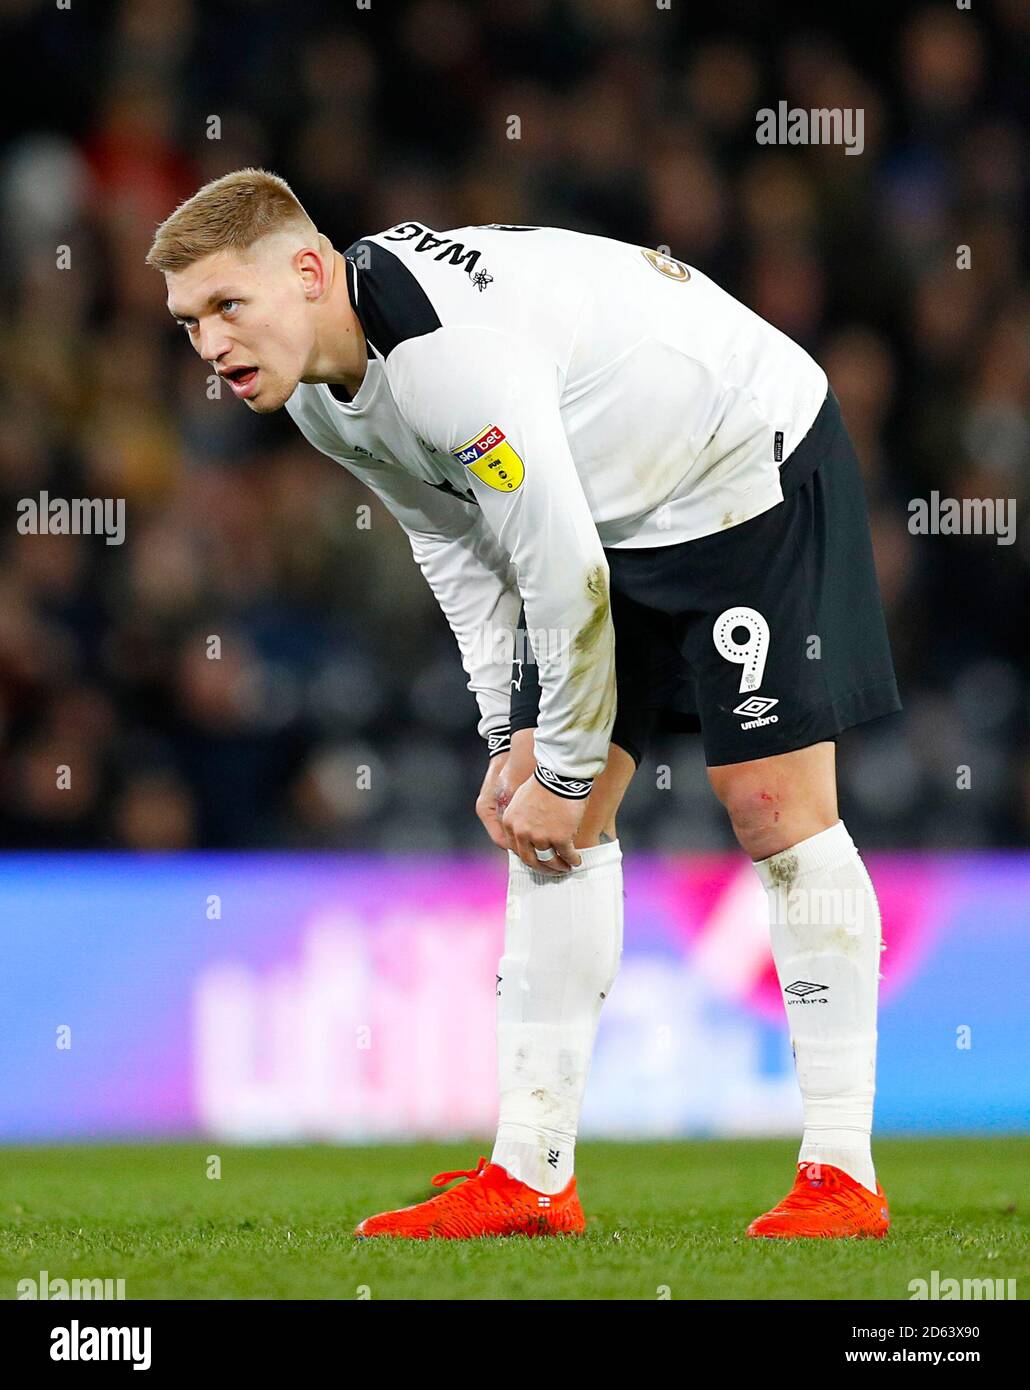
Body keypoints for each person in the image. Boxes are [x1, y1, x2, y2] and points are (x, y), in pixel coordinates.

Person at [148, 168, 900, 1240]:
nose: (210, 346)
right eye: (188, 323)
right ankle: (532, 1176)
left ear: (310, 271)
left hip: (740, 461)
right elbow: (457, 547)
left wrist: (559, 765)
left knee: (769, 802)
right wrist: (512, 733)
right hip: (601, 510)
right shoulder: (320, 395)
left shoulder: (449, 362)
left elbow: (561, 573)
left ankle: (843, 1174)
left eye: (228, 307)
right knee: (548, 831)